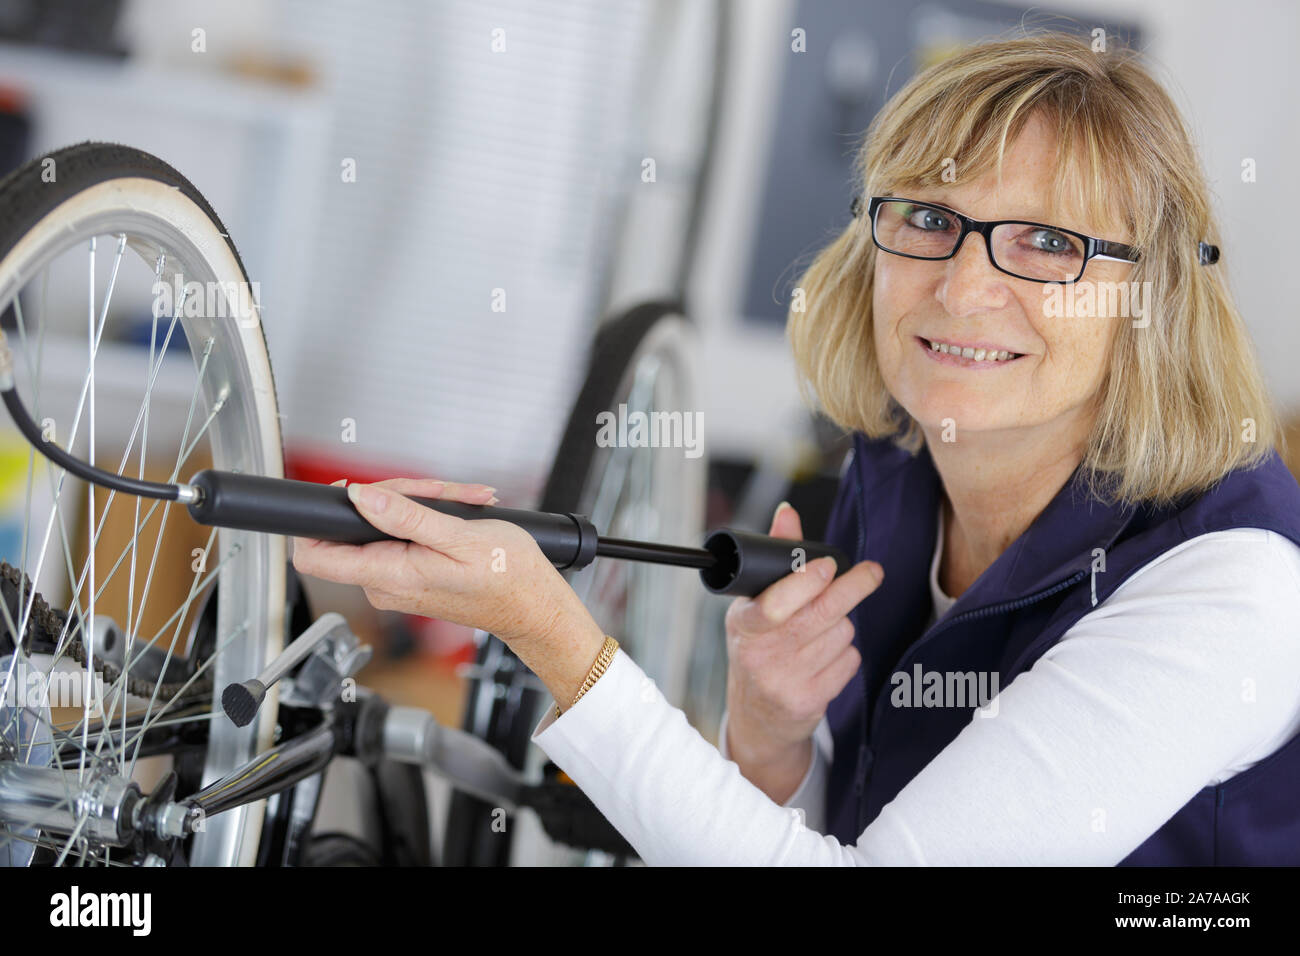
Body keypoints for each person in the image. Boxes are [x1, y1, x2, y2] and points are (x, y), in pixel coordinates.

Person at [292, 32, 1300, 864]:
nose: (960, 284)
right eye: (930, 217)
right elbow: (836, 831)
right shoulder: (898, 475)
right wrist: (771, 739)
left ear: (1152, 297)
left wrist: (549, 632)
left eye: (1048, 242)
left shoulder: (1232, 592)